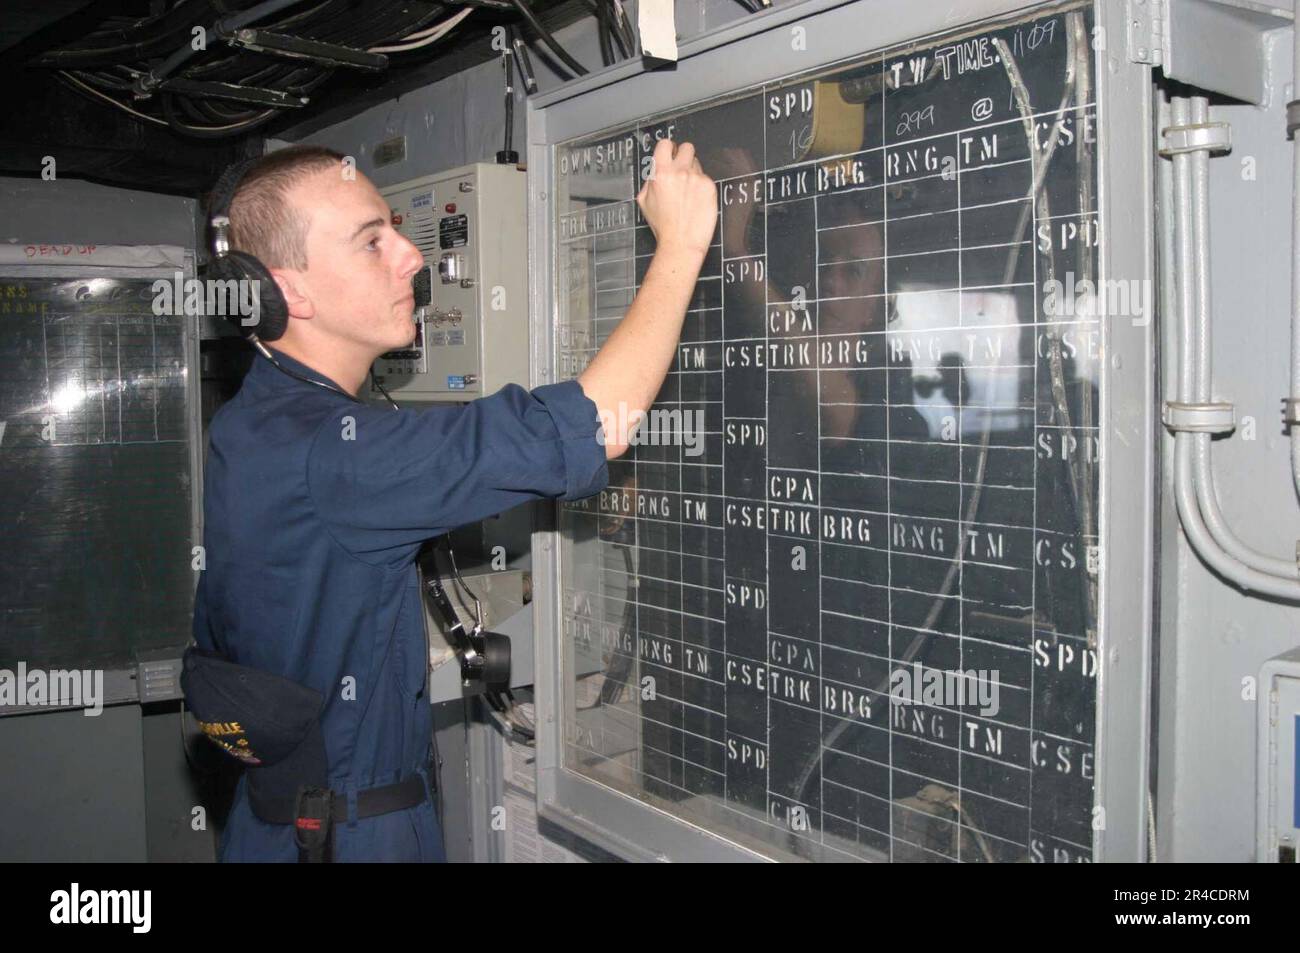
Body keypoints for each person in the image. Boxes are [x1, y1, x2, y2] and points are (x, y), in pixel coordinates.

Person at [190, 137, 718, 861]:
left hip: (278, 819)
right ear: (290, 289)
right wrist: (682, 245)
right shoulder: (336, 453)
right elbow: (598, 422)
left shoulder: (248, 425)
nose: (412, 256)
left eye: (397, 231)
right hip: (349, 837)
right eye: (372, 242)